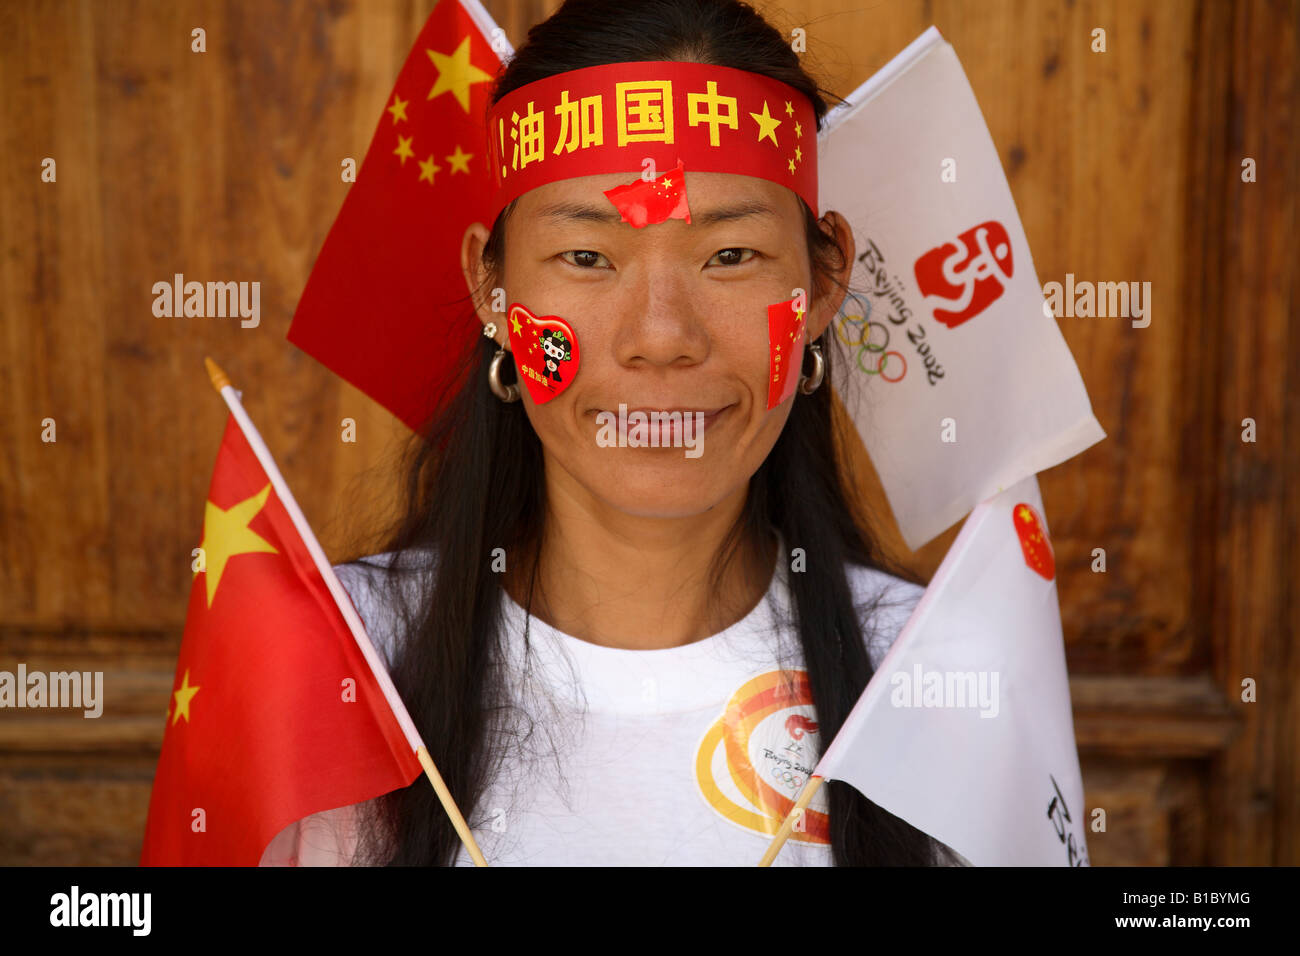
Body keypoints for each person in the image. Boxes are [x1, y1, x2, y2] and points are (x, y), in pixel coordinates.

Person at [262, 0, 967, 867]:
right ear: (492, 288)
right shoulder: (336, 661)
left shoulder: (938, 672)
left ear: (822, 284)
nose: (662, 335)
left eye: (731, 256)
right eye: (588, 258)